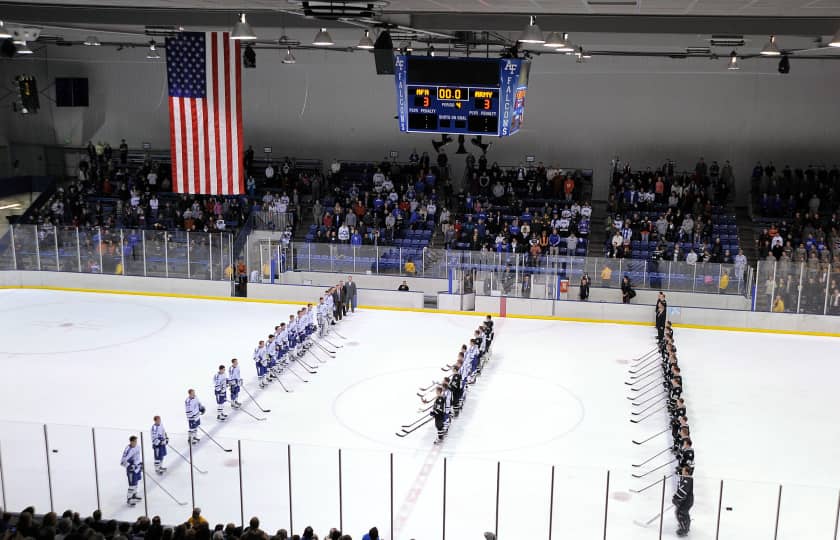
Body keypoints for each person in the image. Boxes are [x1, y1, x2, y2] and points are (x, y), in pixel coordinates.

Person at [120, 436, 143, 506]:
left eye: (136, 441)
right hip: (131, 471)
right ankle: (129, 499)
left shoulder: (138, 447)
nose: (136, 443)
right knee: (132, 485)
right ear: (131, 442)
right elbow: (122, 462)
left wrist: (140, 463)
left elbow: (137, 457)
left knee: (136, 482)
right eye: (135, 441)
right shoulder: (128, 450)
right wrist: (130, 466)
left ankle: (134, 495)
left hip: (137, 468)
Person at [673, 466, 694, 537]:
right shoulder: (686, 478)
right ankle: (685, 526)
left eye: (683, 471)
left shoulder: (687, 479)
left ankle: (684, 529)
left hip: (687, 501)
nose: (682, 471)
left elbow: (683, 490)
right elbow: (681, 487)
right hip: (686, 500)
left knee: (680, 513)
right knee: (682, 512)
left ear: (687, 472)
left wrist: (676, 498)